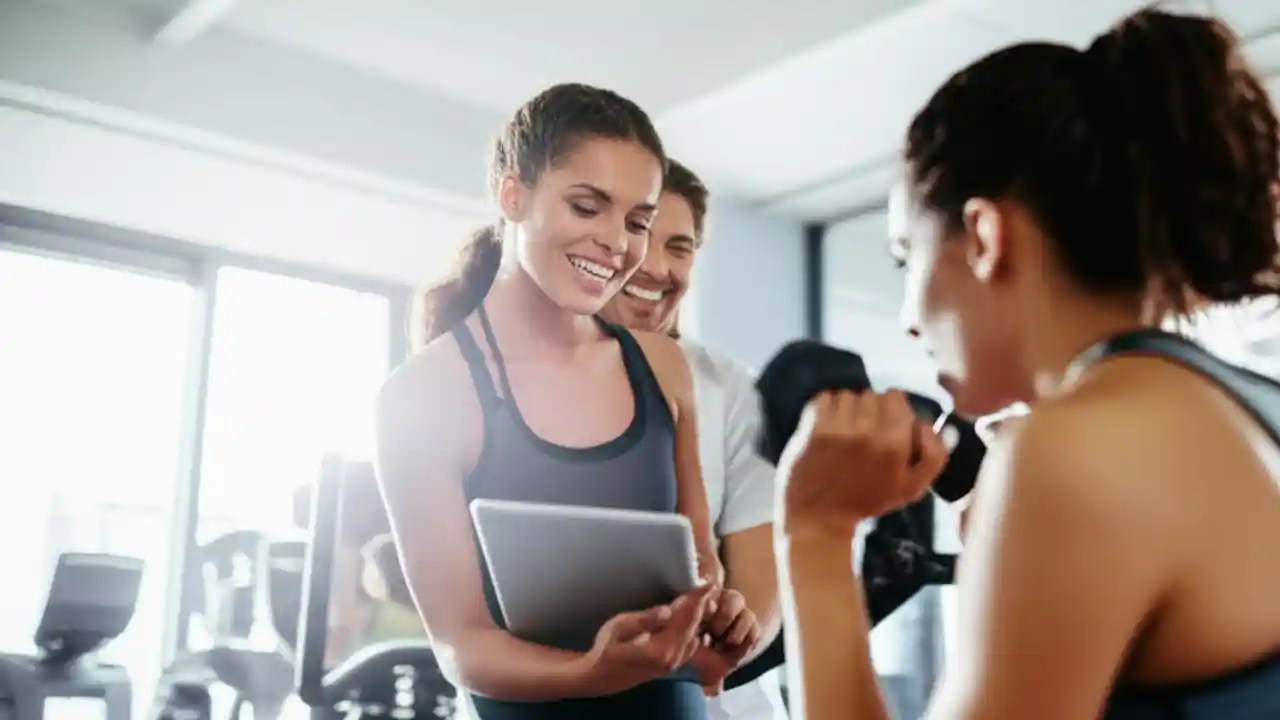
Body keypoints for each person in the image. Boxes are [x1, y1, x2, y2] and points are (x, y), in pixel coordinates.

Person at [775, 8, 1280, 720]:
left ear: (985, 236)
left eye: (906, 259)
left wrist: (815, 534)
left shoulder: (1080, 449)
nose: (909, 318)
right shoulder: (1251, 408)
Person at [373, 83, 760, 720]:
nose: (618, 243)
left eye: (637, 221)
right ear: (513, 195)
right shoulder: (422, 395)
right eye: (587, 207)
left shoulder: (661, 366)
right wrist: (590, 674)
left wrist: (719, 620)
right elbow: (460, 643)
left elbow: (700, 568)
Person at [599, 159, 788, 719]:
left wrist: (716, 646)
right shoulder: (516, 377)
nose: (656, 266)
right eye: (640, 236)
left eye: (679, 248)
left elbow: (760, 595)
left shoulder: (733, 391)